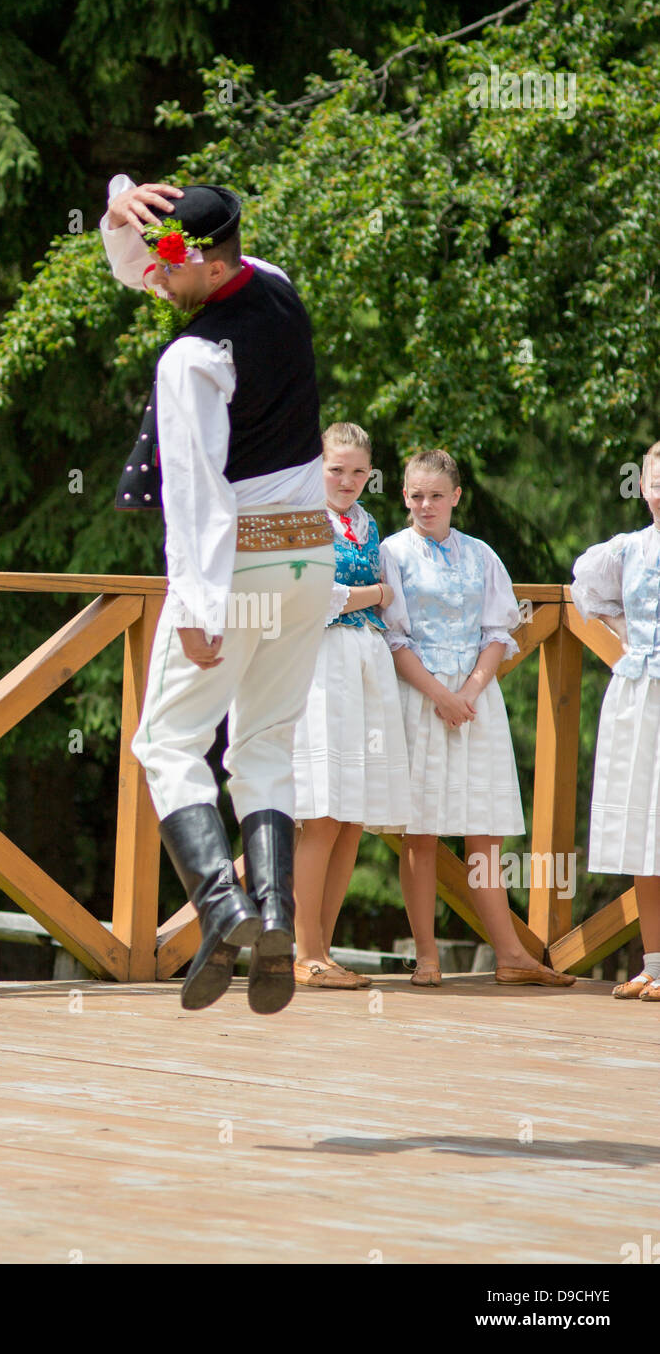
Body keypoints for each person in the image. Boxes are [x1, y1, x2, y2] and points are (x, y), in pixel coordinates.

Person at [100, 175, 336, 1014]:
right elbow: (141, 263)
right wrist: (124, 202)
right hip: (313, 565)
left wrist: (198, 611)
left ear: (201, 257)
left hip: (240, 571)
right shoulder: (273, 284)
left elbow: (197, 494)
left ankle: (221, 907)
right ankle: (274, 915)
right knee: (264, 747)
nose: (154, 278)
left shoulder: (191, 358)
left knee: (168, 743)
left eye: (168, 263)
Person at [379, 448, 576, 988]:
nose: (425, 505)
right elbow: (391, 636)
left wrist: (467, 691)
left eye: (436, 495)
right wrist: (439, 694)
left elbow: (497, 632)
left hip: (475, 701)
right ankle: (426, 957)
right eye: (416, 495)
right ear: (403, 496)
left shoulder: (482, 555)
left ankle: (510, 954)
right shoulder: (391, 553)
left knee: (484, 832)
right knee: (420, 832)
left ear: (456, 497)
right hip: (419, 697)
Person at [291, 422, 412, 988]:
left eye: (358, 471)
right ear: (317, 466)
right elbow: (313, 598)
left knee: (350, 816)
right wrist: (378, 595)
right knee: (321, 812)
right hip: (322, 663)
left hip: (366, 663)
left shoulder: (366, 523)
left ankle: (326, 949)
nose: (347, 480)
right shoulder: (301, 518)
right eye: (336, 468)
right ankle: (305, 951)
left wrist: (374, 603)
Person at [571, 441, 660, 1000]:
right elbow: (587, 593)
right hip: (639, 695)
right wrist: (628, 635)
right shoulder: (627, 550)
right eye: (656, 479)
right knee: (645, 833)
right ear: (644, 484)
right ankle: (655, 964)